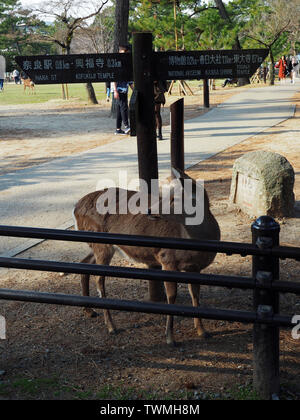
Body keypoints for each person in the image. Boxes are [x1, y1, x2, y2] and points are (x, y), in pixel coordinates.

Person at [113, 45, 133, 135]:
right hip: (119, 90)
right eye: (124, 53)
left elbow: (129, 80)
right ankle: (127, 126)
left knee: (119, 110)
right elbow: (114, 78)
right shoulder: (117, 64)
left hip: (124, 89)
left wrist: (134, 90)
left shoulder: (126, 64)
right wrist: (115, 91)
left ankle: (118, 129)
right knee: (124, 108)